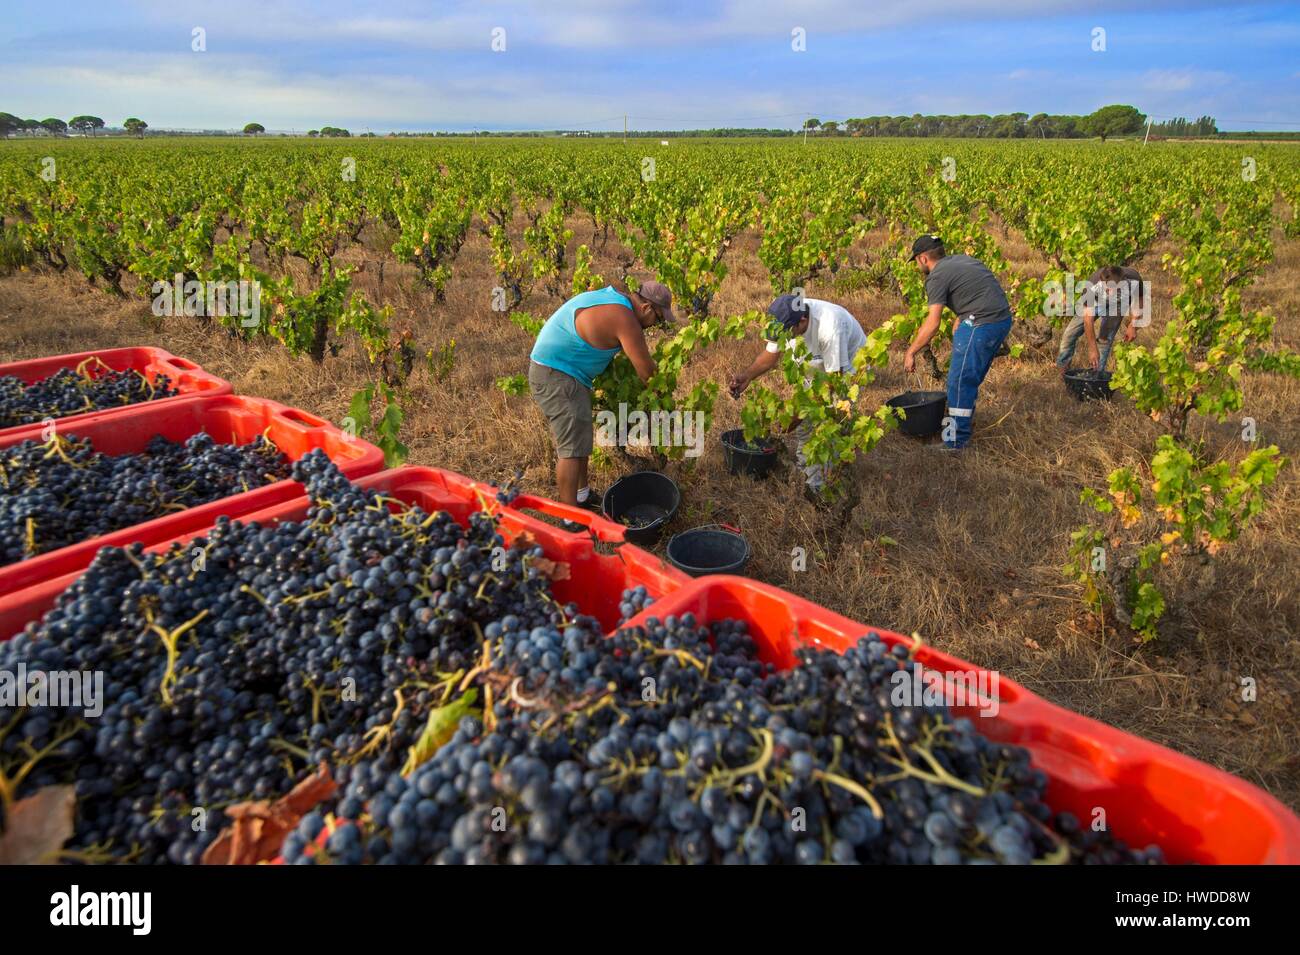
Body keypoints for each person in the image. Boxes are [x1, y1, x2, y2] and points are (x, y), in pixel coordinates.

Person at [529, 280, 677, 508]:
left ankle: (582, 495)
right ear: (647, 308)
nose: (655, 325)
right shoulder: (626, 320)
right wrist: (666, 403)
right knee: (570, 449)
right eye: (657, 319)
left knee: (580, 440)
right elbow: (647, 373)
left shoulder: (616, 297)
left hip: (563, 371)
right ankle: (570, 519)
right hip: (556, 373)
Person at [728, 293, 867, 494]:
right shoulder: (787, 318)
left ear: (802, 321)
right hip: (815, 366)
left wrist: (797, 414)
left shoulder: (830, 327)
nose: (784, 337)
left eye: (787, 333)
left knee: (829, 424)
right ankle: (806, 471)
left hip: (846, 370)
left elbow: (833, 382)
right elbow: (771, 355)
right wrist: (747, 376)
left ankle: (824, 485)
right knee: (806, 425)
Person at [903, 234, 1013, 451]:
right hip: (1001, 320)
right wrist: (960, 317)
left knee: (959, 381)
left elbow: (933, 322)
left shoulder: (936, 277)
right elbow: (973, 290)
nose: (917, 266)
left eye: (916, 261)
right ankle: (963, 422)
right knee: (968, 379)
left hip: (981, 323)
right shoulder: (963, 260)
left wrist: (911, 351)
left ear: (923, 259)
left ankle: (955, 441)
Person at [1055, 265, 1144, 376]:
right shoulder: (1092, 285)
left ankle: (1095, 376)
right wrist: (1092, 349)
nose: (1110, 293)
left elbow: (1140, 299)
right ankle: (1063, 370)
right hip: (1096, 301)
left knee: (1104, 340)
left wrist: (1133, 325)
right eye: (1107, 289)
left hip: (1118, 304)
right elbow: (1088, 320)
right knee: (1070, 334)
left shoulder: (1133, 279)